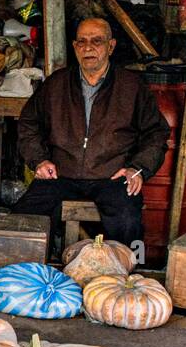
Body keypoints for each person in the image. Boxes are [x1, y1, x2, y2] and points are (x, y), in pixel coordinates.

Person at [14, 16, 171, 249]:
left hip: (112, 175)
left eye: (97, 41)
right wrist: (39, 160)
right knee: (24, 218)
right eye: (82, 41)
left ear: (111, 46)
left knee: (128, 223)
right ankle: (29, 277)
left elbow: (156, 133)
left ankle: (122, 280)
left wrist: (137, 169)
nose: (88, 47)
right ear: (75, 47)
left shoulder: (131, 86)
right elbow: (28, 124)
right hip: (61, 173)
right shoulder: (56, 84)